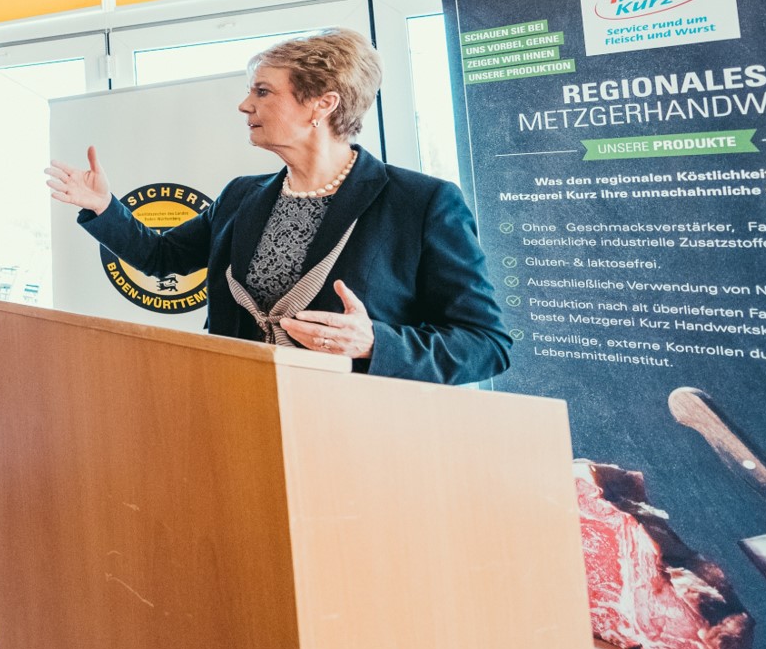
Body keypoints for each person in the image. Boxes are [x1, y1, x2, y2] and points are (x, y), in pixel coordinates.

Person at [45, 28, 510, 385]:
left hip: (357, 437)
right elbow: (162, 258)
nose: (244, 105)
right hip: (239, 413)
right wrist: (105, 206)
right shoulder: (240, 197)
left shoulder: (421, 203)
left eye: (263, 91)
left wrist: (375, 344)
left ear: (322, 104)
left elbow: (485, 344)